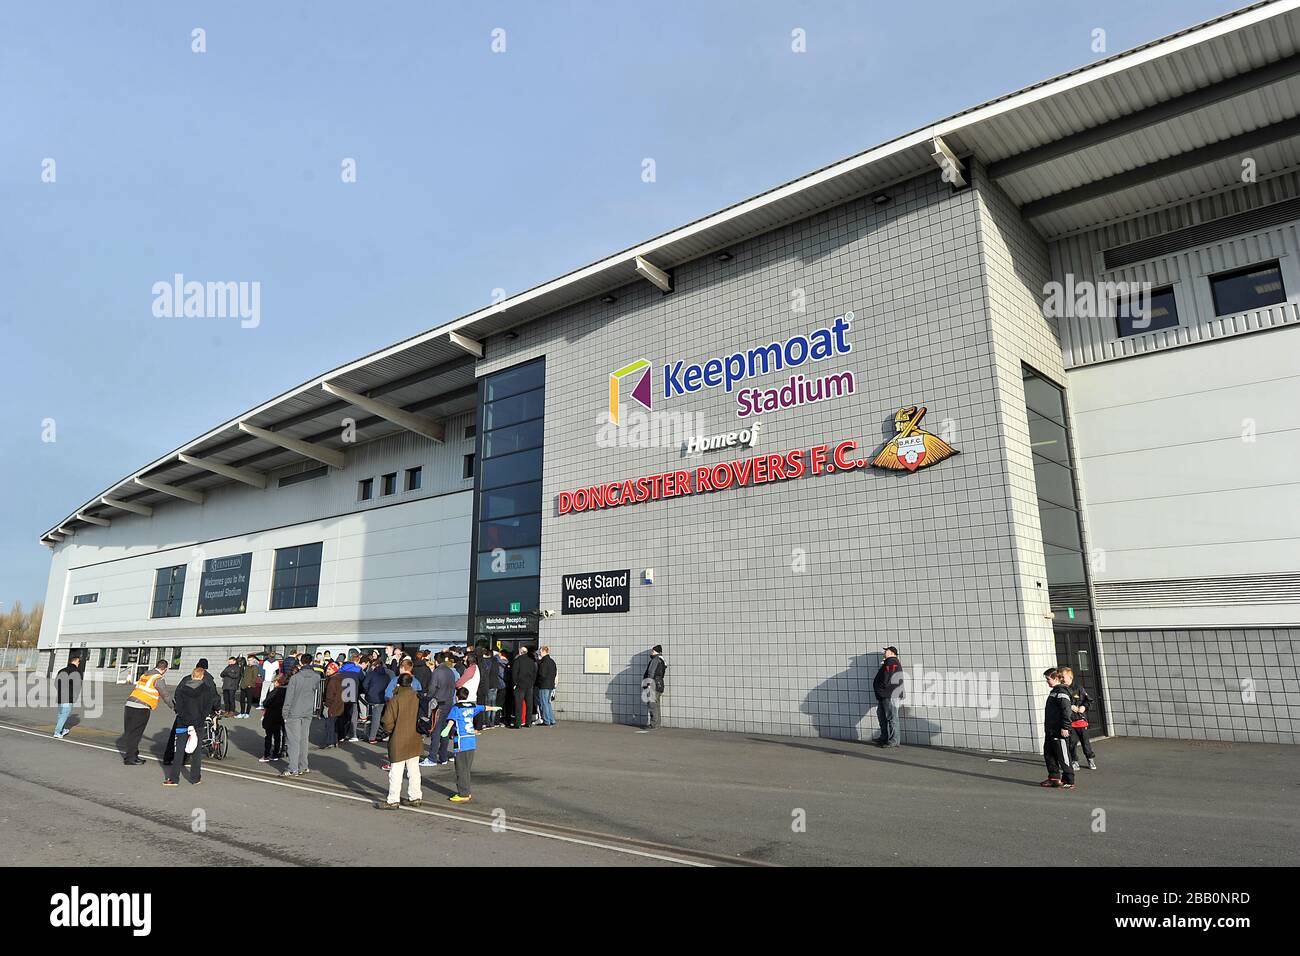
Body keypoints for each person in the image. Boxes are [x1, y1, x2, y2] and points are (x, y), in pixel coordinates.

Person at [440, 686, 502, 804]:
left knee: (461, 769)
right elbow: (484, 708)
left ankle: (463, 793)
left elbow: (452, 720)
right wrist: (494, 708)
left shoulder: (456, 707)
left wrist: (447, 730)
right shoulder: (472, 706)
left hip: (461, 741)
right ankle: (466, 791)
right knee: (467, 768)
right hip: (471, 741)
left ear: (457, 696)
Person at [164, 661, 220, 787]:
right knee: (196, 752)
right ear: (201, 676)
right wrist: (202, 717)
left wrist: (182, 716)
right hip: (198, 724)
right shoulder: (206, 689)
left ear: (192, 675)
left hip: (182, 722)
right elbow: (208, 706)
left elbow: (178, 705)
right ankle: (195, 778)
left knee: (179, 750)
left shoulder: (182, 688)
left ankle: (173, 778)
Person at [376, 673, 423, 810]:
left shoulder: (395, 699)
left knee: (396, 771)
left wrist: (390, 731)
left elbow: (387, 722)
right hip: (415, 736)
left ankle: (393, 800)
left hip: (398, 737)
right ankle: (415, 796)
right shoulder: (417, 697)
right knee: (414, 769)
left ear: (398, 683)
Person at [121, 659, 172, 765]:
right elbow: (165, 695)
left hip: (129, 704)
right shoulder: (158, 678)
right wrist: (174, 707)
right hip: (141, 707)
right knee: (136, 733)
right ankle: (130, 758)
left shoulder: (145, 675)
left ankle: (133, 755)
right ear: (165, 669)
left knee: (130, 732)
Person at [282, 653, 317, 777]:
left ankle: (293, 768)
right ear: (311, 662)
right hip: (308, 711)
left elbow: (289, 697)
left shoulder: (295, 678)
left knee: (293, 741)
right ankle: (304, 766)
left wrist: (284, 713)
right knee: (303, 739)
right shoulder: (316, 677)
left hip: (294, 711)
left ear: (301, 663)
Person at [1041, 669, 1076, 790]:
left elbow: (1066, 711)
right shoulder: (1054, 692)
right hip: (1050, 730)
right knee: (1049, 754)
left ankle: (1069, 780)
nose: (1047, 681)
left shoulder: (1062, 692)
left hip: (1059, 730)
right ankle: (1054, 778)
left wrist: (1065, 727)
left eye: (1048, 679)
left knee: (1063, 755)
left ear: (1056, 678)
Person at [1059, 666, 1098, 771]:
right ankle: (1074, 761)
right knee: (1072, 743)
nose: (1061, 679)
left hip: (1081, 721)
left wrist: (1083, 707)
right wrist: (1069, 706)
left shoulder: (1079, 688)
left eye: (1063, 677)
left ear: (1070, 677)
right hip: (1070, 722)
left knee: (1085, 742)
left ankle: (1090, 758)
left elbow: (1089, 701)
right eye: (1060, 677)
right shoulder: (1061, 690)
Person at [421, 654, 457, 766]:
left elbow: (432, 689)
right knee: (445, 731)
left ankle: (432, 757)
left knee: (435, 730)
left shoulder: (437, 672)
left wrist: (427, 698)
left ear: (436, 661)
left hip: (439, 704)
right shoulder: (450, 672)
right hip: (449, 703)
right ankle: (443, 756)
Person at [873, 645, 903, 747]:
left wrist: (881, 688)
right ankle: (884, 737)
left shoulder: (892, 662)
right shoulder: (888, 662)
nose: (884, 652)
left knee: (892, 718)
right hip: (885, 694)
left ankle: (894, 741)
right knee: (882, 716)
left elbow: (888, 677)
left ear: (891, 652)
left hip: (890, 694)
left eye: (886, 651)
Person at [53, 654, 82, 738]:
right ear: (75, 661)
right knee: (64, 714)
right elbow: (77, 686)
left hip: (60, 696)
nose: (79, 663)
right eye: (78, 661)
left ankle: (62, 729)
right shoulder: (76, 671)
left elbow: (56, 683)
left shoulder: (61, 670)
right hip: (68, 697)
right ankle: (57, 732)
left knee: (60, 714)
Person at [260, 673, 287, 763]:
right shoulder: (286, 691)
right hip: (280, 715)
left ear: (278, 682)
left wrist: (265, 704)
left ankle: (266, 754)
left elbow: (266, 702)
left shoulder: (275, 691)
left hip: (271, 714)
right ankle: (276, 753)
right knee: (277, 735)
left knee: (268, 735)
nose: (274, 683)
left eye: (275, 682)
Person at [363, 658, 391, 743]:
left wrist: (368, 691)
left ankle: (372, 737)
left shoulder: (371, 674)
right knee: (378, 717)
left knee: (375, 718)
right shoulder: (387, 676)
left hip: (371, 698)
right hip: (382, 699)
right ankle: (381, 734)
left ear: (375, 666)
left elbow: (364, 685)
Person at [511, 646, 537, 730]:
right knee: (529, 704)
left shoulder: (517, 661)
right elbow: (534, 673)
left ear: (520, 652)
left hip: (520, 685)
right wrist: (532, 682)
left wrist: (515, 684)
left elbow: (514, 673)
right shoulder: (531, 661)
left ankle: (518, 723)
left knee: (519, 705)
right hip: (529, 685)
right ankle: (528, 722)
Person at [642, 645, 666, 730]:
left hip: (653, 685)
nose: (651, 652)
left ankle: (653, 725)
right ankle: (657, 724)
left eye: (653, 651)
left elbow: (651, 672)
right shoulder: (662, 660)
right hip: (659, 684)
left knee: (652, 705)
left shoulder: (655, 660)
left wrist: (648, 684)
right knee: (656, 705)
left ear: (657, 652)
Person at [535, 646, 557, 726]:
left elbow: (542, 674)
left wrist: (538, 682)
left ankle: (546, 721)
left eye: (540, 652)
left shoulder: (544, 662)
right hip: (550, 685)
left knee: (544, 703)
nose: (539, 653)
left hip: (544, 685)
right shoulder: (552, 661)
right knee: (548, 703)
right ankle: (551, 719)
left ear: (544, 651)